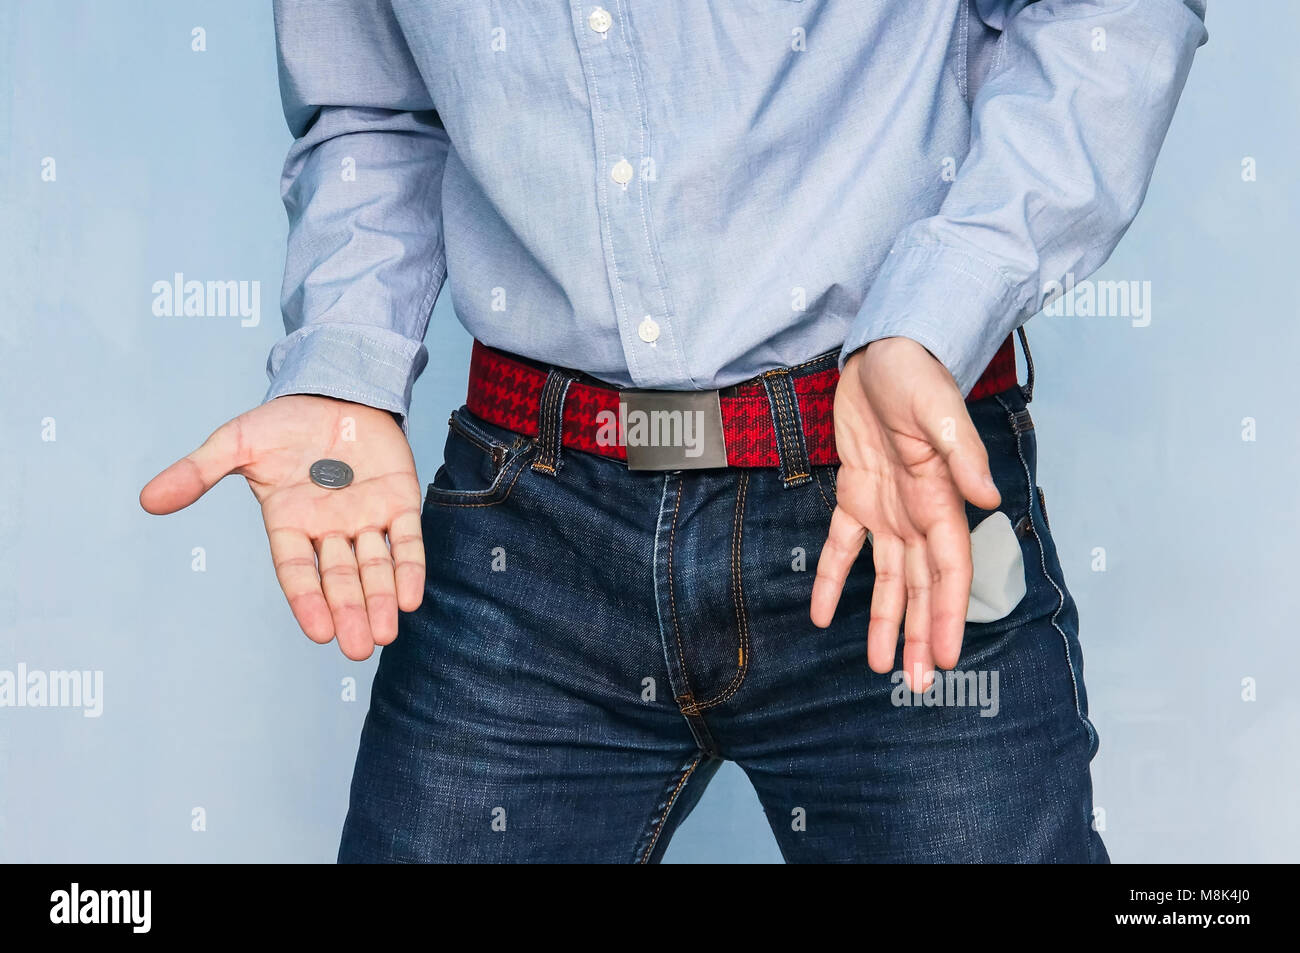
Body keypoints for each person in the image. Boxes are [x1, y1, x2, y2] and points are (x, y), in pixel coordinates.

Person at [140, 1, 1207, 863]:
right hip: (530, 518)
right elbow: (375, 110)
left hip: (887, 501)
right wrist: (344, 361)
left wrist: (942, 308)